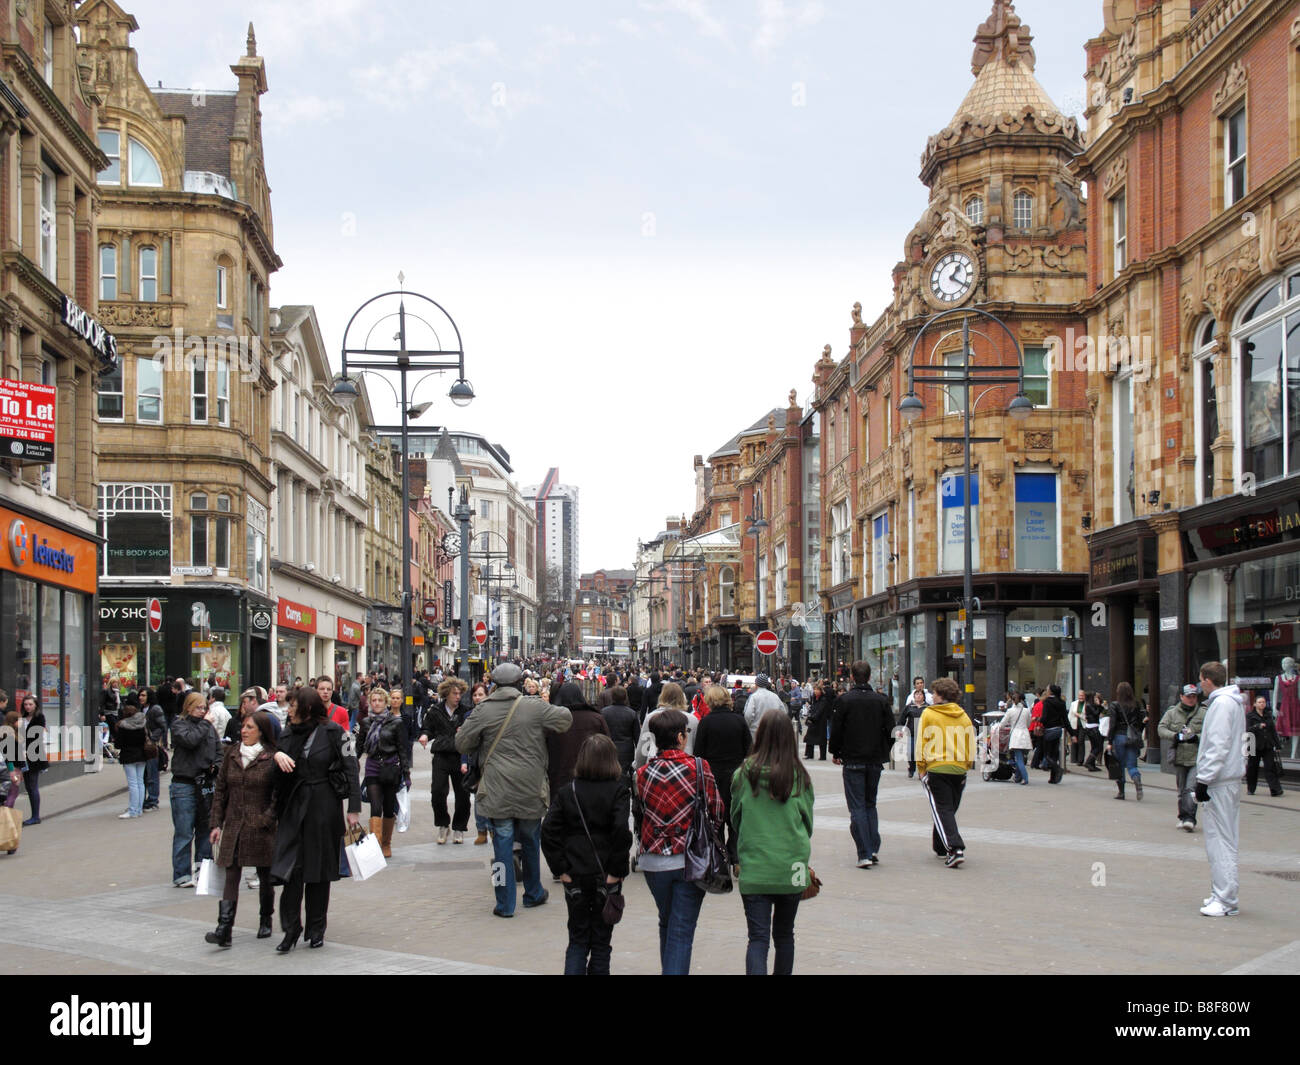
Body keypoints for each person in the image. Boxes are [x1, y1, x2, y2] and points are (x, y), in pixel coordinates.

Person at [455, 663, 573, 918]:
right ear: (520, 683)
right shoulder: (534, 706)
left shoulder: (483, 710)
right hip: (530, 785)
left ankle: (504, 903)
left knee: (502, 846)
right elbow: (564, 720)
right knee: (531, 839)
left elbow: (462, 741)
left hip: (496, 787)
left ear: (494, 684)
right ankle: (533, 892)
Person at [270, 687, 362, 950]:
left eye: (292, 705)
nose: (288, 710)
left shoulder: (335, 732)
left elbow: (351, 768)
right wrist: (276, 756)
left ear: (306, 708)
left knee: (320, 871)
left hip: (324, 806)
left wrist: (353, 808)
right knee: (292, 870)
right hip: (293, 808)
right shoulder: (287, 733)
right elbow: (274, 773)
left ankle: (316, 927)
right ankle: (290, 929)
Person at [636, 708, 724, 975]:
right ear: (680, 737)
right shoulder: (698, 767)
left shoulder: (641, 773)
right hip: (689, 858)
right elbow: (716, 810)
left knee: (668, 922)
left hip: (652, 860)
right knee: (682, 930)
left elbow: (640, 813)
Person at [731, 708, 814, 975]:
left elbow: (736, 818)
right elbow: (808, 824)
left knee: (757, 938)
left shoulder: (744, 774)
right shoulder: (800, 775)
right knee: (785, 934)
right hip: (793, 865)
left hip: (755, 864)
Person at [541, 734, 632, 975]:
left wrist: (560, 867)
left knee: (578, 937)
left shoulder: (568, 790)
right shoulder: (619, 791)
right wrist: (617, 870)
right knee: (601, 941)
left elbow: (548, 831)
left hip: (576, 871)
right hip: (605, 873)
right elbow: (622, 831)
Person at [205, 710, 278, 945]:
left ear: (261, 732)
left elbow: (279, 795)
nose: (244, 731)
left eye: (249, 728)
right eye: (243, 727)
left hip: (260, 826)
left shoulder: (271, 757)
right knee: (231, 873)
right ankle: (224, 928)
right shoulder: (232, 753)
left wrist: (267, 819)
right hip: (234, 823)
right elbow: (221, 790)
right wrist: (216, 823)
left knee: (265, 876)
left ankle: (265, 919)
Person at [828, 661, 894, 868]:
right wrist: (883, 749)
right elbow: (892, 730)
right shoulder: (881, 701)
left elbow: (836, 730)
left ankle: (864, 852)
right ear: (870, 675)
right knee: (870, 804)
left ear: (852, 677)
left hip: (853, 759)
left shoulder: (844, 701)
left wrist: (836, 751)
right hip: (874, 759)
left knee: (857, 807)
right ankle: (873, 847)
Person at [1195, 661, 1247, 917]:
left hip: (1220, 781)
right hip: (1226, 779)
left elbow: (1217, 745)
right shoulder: (1230, 703)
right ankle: (1222, 893)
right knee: (1222, 839)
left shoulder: (1222, 705)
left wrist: (1204, 779)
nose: (1199, 684)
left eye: (1201, 679)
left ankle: (1226, 899)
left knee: (1220, 841)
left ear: (1207, 679)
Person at [916, 676, 975, 868]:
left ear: (941, 695)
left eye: (934, 693)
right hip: (958, 767)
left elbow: (922, 742)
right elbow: (970, 743)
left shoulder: (929, 714)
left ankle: (954, 848)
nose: (931, 696)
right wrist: (966, 765)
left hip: (937, 766)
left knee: (942, 809)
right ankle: (940, 846)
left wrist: (921, 767)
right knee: (948, 808)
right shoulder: (963, 715)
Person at [693, 683, 752, 867]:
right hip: (736, 773)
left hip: (713, 775)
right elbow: (749, 749)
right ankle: (735, 856)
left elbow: (698, 752)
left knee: (715, 816)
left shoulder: (706, 722)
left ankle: (719, 856)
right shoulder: (739, 720)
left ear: (710, 701)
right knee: (735, 816)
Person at [170, 692, 221, 886]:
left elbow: (218, 750)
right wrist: (206, 723)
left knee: (204, 827)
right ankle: (181, 874)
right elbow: (190, 740)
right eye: (199, 708)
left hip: (205, 783)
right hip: (184, 783)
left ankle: (203, 868)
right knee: (184, 830)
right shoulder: (179, 725)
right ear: (189, 707)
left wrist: (216, 766)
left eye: (204, 708)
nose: (202, 712)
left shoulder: (208, 728)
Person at [358, 686, 410, 858]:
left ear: (386, 702)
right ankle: (375, 843)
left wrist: (406, 774)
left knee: (388, 807)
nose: (377, 703)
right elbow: (359, 747)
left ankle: (386, 843)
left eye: (380, 700)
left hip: (390, 767)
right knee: (375, 806)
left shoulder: (396, 722)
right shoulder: (366, 723)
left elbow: (403, 749)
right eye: (374, 700)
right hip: (372, 766)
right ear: (370, 703)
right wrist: (352, 763)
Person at [420, 678, 472, 845]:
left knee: (462, 795)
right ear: (446, 694)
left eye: (459, 693)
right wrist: (425, 735)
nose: (458, 697)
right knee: (437, 792)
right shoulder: (436, 710)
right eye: (454, 693)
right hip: (442, 755)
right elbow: (427, 727)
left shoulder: (465, 711)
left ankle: (459, 827)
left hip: (459, 755)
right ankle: (443, 824)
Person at [546, 683, 612, 800]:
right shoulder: (596, 718)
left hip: (559, 778)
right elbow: (608, 749)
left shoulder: (553, 721)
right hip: (591, 777)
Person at [1158, 684, 1207, 831]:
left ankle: (1190, 818)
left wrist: (1196, 737)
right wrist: (1174, 736)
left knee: (1191, 788)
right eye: (1188, 697)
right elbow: (1161, 728)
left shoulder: (1203, 713)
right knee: (1181, 790)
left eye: (1194, 696)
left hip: (1196, 757)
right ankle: (1182, 816)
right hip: (1179, 757)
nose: (1191, 699)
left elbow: (1210, 731)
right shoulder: (1172, 713)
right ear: (1181, 697)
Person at [635, 682, 698, 768]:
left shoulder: (651, 717)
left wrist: (639, 767)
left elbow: (644, 747)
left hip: (656, 765)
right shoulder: (692, 720)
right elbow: (696, 747)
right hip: (686, 766)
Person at [1103, 682, 1148, 800]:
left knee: (1119, 766)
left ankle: (1121, 792)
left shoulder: (1115, 705)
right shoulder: (1136, 704)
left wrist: (1109, 741)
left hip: (1119, 737)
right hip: (1132, 738)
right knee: (1132, 765)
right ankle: (1137, 780)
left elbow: (1112, 724)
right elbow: (1139, 723)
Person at [1244, 694, 1285, 798]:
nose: (1262, 704)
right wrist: (1257, 726)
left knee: (1270, 767)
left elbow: (1273, 731)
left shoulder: (1268, 715)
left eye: (1263, 702)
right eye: (1259, 702)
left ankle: (1275, 790)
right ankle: (1251, 788)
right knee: (1252, 768)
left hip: (1267, 745)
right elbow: (1247, 730)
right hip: (1254, 744)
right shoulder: (1250, 716)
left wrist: (1278, 745)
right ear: (1255, 704)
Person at [115, 700, 149, 819]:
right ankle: (139, 809)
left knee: (133, 783)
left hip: (128, 756)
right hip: (142, 755)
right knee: (140, 782)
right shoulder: (142, 723)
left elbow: (118, 744)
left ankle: (133, 810)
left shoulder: (123, 726)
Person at [599, 685, 640, 782]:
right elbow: (637, 736)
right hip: (627, 749)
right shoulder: (632, 713)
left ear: (612, 697)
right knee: (623, 776)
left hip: (608, 747)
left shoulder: (604, 712)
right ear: (625, 697)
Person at [139, 688, 166, 812]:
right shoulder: (140, 709)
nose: (141, 697)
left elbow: (162, 726)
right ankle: (143, 800)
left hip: (151, 747)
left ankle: (153, 800)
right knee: (143, 774)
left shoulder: (155, 709)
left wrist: (152, 739)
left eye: (143, 695)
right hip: (141, 746)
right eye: (140, 695)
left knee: (152, 774)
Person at [1038, 684, 1070, 785]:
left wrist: (1038, 719)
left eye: (1047, 690)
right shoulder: (1061, 702)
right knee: (1054, 754)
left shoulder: (1047, 702)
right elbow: (1065, 719)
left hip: (1049, 730)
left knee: (1047, 754)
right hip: (1058, 730)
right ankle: (1053, 777)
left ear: (1051, 692)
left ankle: (1057, 769)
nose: (1046, 691)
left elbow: (1044, 718)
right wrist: (1072, 733)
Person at [999, 694, 1032, 785]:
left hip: (1015, 736)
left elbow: (1002, 724)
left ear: (1013, 701)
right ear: (1022, 700)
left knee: (1019, 759)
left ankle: (1025, 778)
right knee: (1022, 758)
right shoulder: (1026, 711)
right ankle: (1018, 776)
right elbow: (1028, 724)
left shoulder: (1010, 711)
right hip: (1025, 736)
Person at [743, 673, 785, 739]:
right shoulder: (775, 697)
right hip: (773, 732)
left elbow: (748, 715)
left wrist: (748, 727)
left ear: (756, 684)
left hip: (757, 732)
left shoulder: (754, 697)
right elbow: (783, 713)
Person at [898, 684, 926, 778]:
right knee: (911, 753)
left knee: (922, 754)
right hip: (912, 733)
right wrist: (900, 730)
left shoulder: (927, 707)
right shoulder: (909, 707)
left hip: (923, 734)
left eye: (920, 694)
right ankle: (911, 769)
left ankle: (921, 771)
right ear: (914, 696)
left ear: (923, 697)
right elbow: (902, 718)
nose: (918, 696)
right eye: (916, 694)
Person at [1082, 691, 1104, 771]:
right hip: (1092, 728)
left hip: (1093, 727)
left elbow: (1100, 711)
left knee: (1094, 746)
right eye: (1095, 697)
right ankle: (1088, 762)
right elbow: (1096, 713)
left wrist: (1099, 705)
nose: (1096, 698)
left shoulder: (1090, 705)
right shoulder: (1089, 705)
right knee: (1098, 746)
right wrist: (1099, 705)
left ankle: (1092, 765)